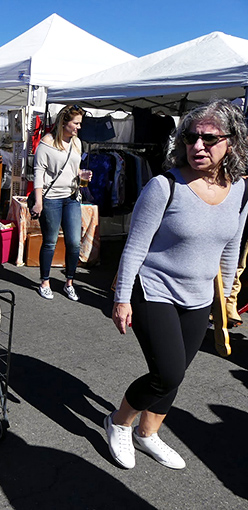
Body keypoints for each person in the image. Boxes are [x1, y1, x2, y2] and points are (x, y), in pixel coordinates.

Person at [106, 99, 248, 471]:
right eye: (190, 137)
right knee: (167, 371)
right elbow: (134, 246)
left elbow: (230, 245)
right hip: (154, 289)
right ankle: (120, 421)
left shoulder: (241, 192)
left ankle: (148, 433)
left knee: (177, 374)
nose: (197, 145)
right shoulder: (164, 186)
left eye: (209, 138)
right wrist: (122, 300)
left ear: (231, 142)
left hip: (199, 297)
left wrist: (228, 298)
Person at [31, 104, 87, 302]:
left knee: (74, 242)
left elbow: (74, 169)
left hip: (72, 197)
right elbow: (38, 176)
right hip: (51, 198)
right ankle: (45, 282)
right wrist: (38, 202)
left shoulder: (77, 143)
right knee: (50, 241)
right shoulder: (45, 145)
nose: (79, 127)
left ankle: (69, 282)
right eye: (76, 123)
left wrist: (82, 174)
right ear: (64, 122)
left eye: (80, 123)